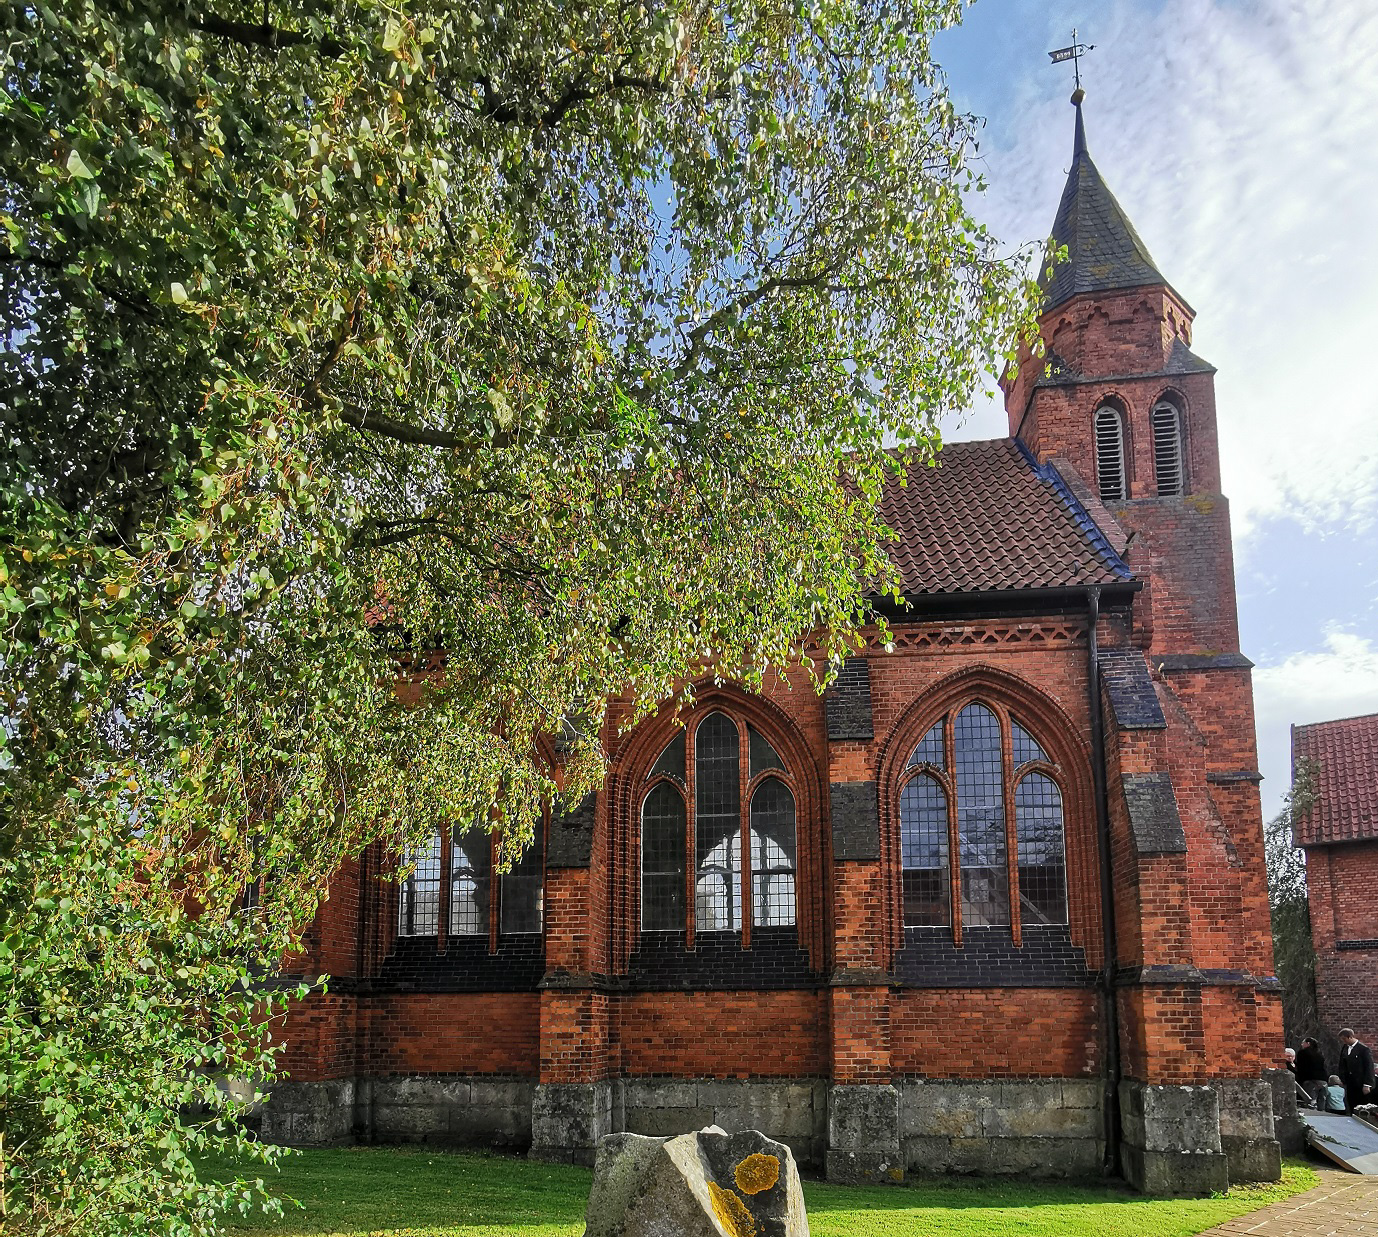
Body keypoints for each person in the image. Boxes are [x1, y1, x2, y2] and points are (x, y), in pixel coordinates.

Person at [1339, 1028, 1375, 1113]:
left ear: (1350, 1037)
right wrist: (1342, 1078)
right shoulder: (1345, 1048)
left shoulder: (1363, 1049)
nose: (1344, 1041)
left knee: (1361, 1103)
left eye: (1345, 1039)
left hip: (1360, 1081)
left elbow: (1369, 1066)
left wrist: (1367, 1084)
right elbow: (1342, 1064)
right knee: (1351, 1102)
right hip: (1350, 1081)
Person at [1296, 1036, 1329, 1108]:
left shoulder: (1302, 1053)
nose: (1302, 1044)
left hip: (1310, 1080)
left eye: (1303, 1043)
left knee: (1311, 1102)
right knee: (1322, 1100)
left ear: (1308, 1043)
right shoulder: (1319, 1054)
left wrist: (1300, 1079)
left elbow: (1301, 1067)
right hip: (1323, 1080)